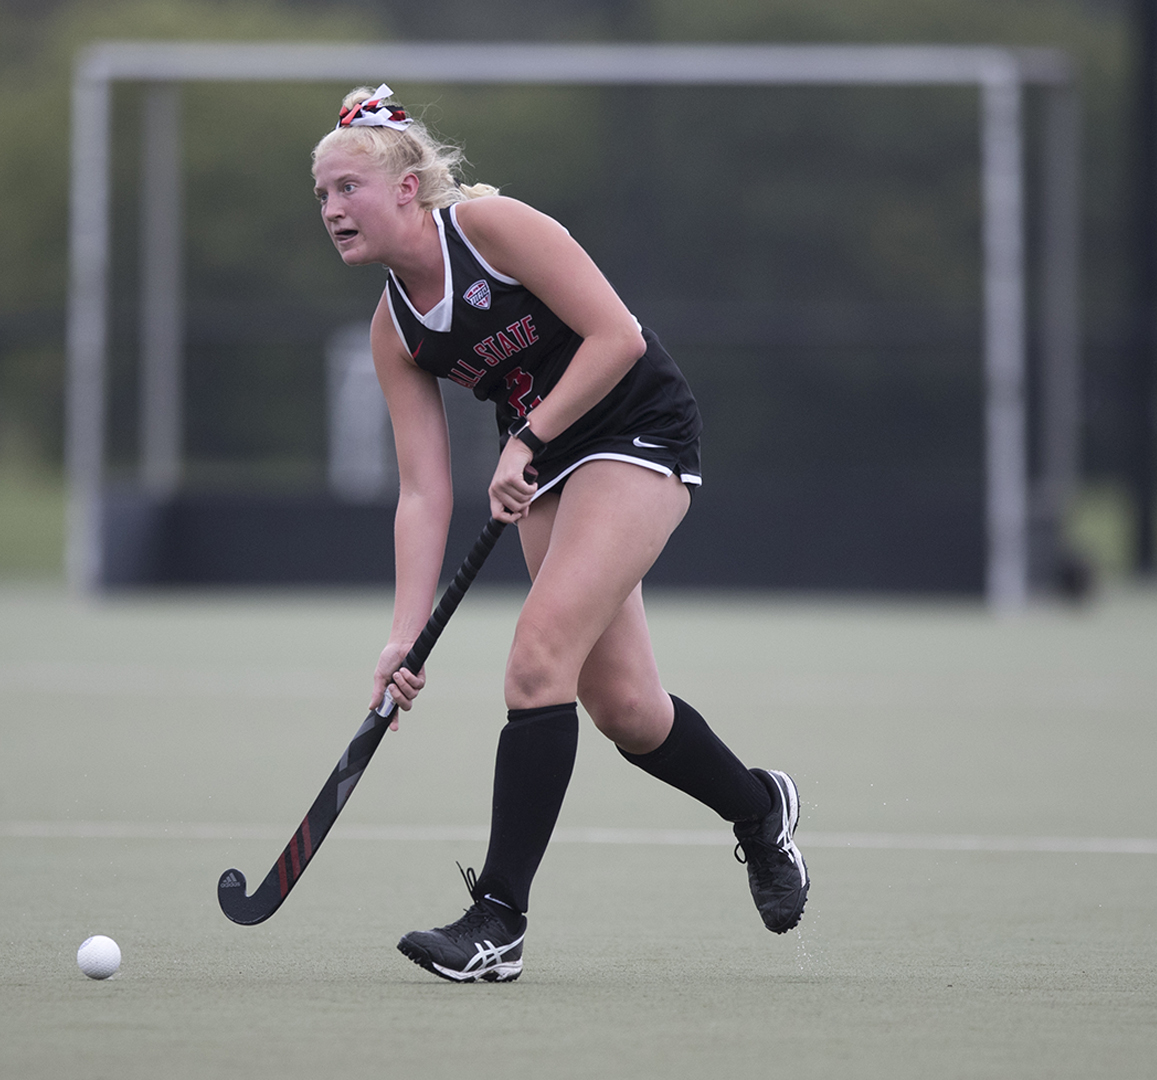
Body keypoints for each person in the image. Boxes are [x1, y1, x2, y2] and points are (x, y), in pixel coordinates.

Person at [313, 86, 809, 983]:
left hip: (636, 427)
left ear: (408, 188)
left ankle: (497, 919)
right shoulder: (395, 330)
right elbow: (422, 492)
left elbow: (616, 335)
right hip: (547, 462)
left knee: (536, 657)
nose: (332, 210)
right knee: (626, 710)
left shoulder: (490, 228)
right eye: (322, 196)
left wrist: (529, 436)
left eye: (348, 187)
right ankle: (759, 808)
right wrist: (402, 633)